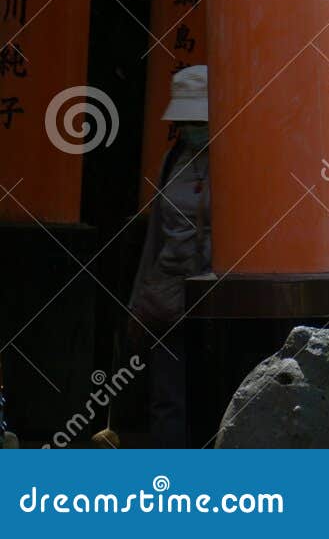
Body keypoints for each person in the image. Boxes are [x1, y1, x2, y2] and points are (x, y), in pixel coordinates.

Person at [129, 64, 211, 448]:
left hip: (213, 290)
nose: (191, 129)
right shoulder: (171, 160)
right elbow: (155, 235)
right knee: (167, 393)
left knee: (209, 390)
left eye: (199, 120)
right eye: (185, 121)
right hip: (168, 289)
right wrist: (139, 298)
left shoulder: (236, 161)